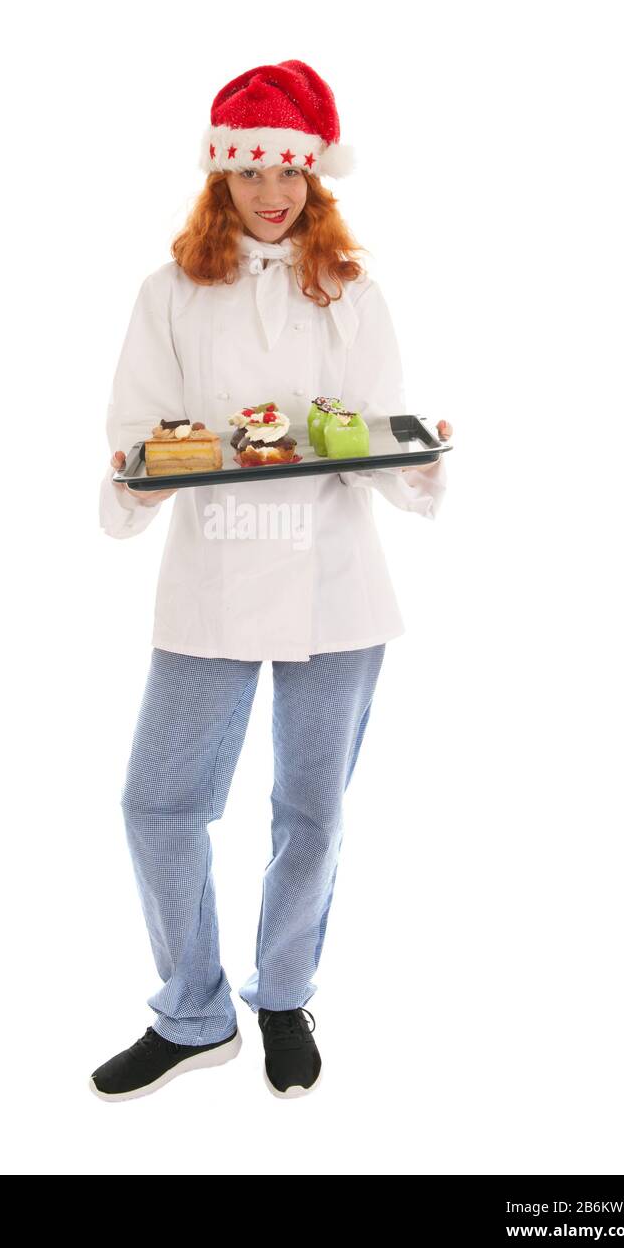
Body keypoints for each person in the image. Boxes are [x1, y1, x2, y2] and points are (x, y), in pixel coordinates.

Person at [90, 59, 452, 1102]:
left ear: (312, 182)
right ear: (219, 182)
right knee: (157, 804)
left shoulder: (349, 290)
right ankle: (194, 1010)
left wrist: (418, 456)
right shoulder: (166, 295)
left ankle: (283, 991)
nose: (269, 194)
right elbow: (136, 430)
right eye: (248, 175)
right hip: (209, 575)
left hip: (335, 584)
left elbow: (380, 426)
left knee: (310, 810)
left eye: (285, 176)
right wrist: (143, 475)